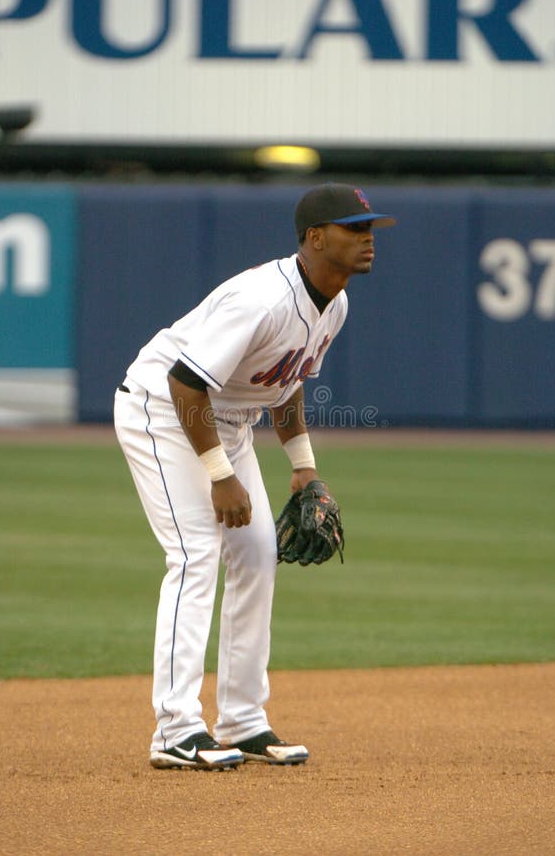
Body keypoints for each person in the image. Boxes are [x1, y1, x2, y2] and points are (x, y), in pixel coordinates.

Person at [114, 182, 396, 770]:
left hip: (226, 419)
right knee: (194, 552)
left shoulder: (335, 304)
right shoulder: (261, 300)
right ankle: (175, 729)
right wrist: (220, 474)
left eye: (370, 228)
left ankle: (242, 721)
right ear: (315, 238)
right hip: (162, 410)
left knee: (257, 552)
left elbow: (285, 382)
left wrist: (303, 467)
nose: (368, 239)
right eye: (354, 229)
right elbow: (184, 383)